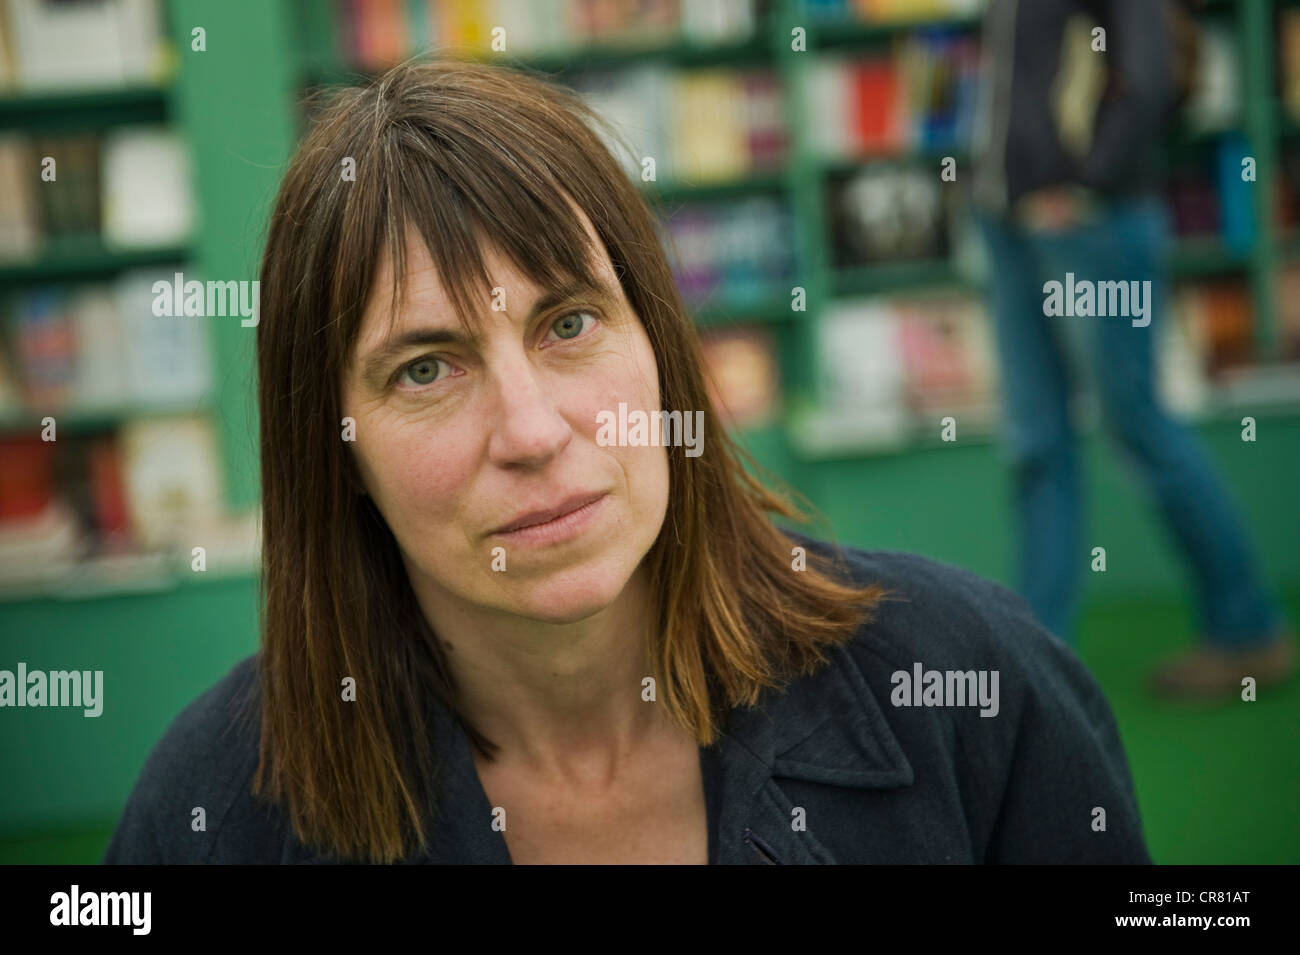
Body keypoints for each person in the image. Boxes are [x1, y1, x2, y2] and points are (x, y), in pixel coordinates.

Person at [105, 59, 1149, 864]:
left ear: (662, 347)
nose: (530, 431)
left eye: (567, 323)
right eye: (424, 369)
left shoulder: (975, 683)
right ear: (334, 451)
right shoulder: (205, 816)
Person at [972, 0, 1295, 700]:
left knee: (1138, 426)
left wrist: (1083, 181)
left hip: (1087, 222)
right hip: (1009, 220)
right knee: (1036, 443)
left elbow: (1145, 77)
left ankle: (1247, 630)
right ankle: (1036, 653)